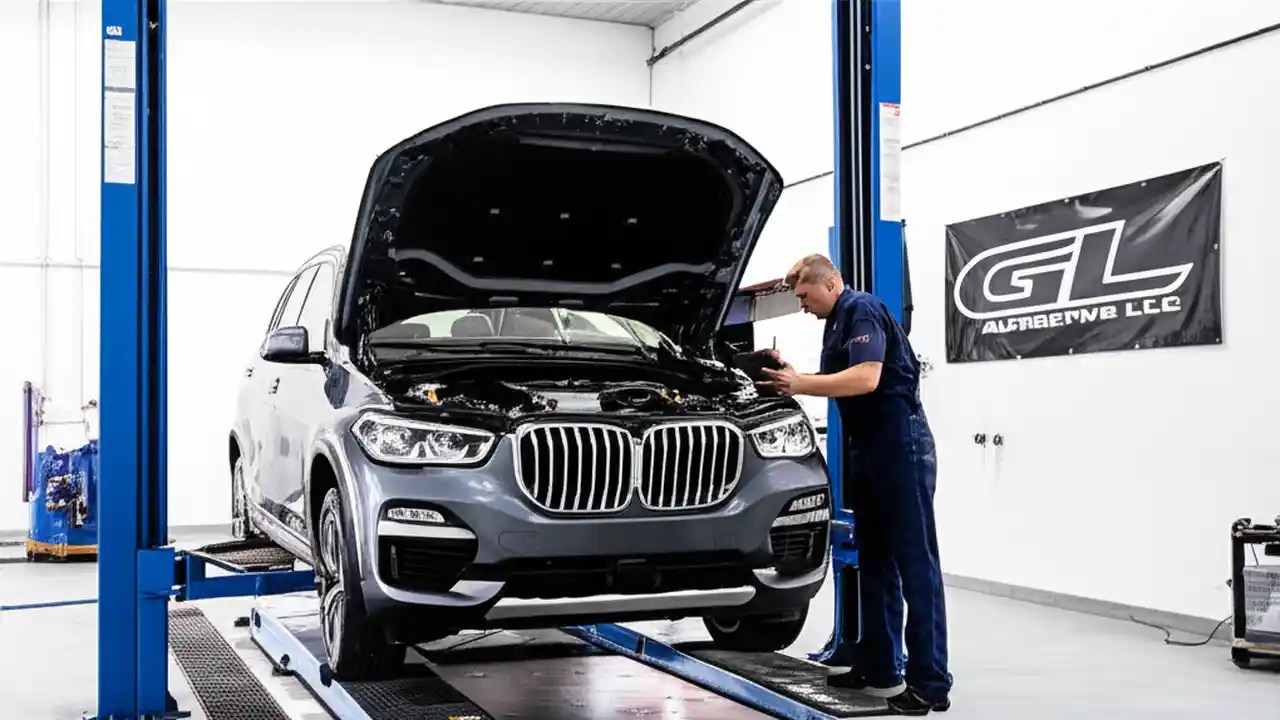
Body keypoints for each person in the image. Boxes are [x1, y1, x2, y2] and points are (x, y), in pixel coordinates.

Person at [758, 253, 951, 715]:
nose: (802, 305)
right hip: (870, 450)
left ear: (830, 283)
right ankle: (880, 665)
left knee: (915, 565)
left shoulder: (861, 308)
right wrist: (789, 374)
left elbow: (867, 378)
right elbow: (841, 377)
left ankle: (930, 683)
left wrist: (800, 383)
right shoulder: (836, 321)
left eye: (805, 295)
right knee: (875, 560)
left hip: (900, 447)